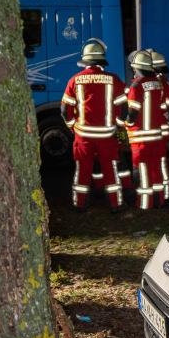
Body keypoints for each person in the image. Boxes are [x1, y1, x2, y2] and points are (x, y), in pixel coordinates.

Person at [60, 38, 128, 212]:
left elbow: (64, 109)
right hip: (106, 135)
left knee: (82, 171)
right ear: (101, 60)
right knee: (111, 170)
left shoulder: (75, 80)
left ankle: (80, 205)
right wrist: (119, 125)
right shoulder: (113, 79)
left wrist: (72, 126)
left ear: (85, 60)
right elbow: (124, 107)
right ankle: (116, 205)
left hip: (83, 136)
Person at [125, 50, 169, 209]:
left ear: (136, 68)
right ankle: (159, 202)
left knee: (142, 173)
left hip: (141, 140)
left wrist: (125, 124)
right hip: (156, 138)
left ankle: (144, 206)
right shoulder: (158, 84)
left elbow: (132, 114)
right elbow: (165, 110)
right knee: (156, 171)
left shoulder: (136, 86)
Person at [148, 49, 169, 201]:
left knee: (154, 165)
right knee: (160, 164)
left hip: (154, 131)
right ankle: (162, 195)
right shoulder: (165, 83)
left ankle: (159, 195)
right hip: (162, 131)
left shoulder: (153, 84)